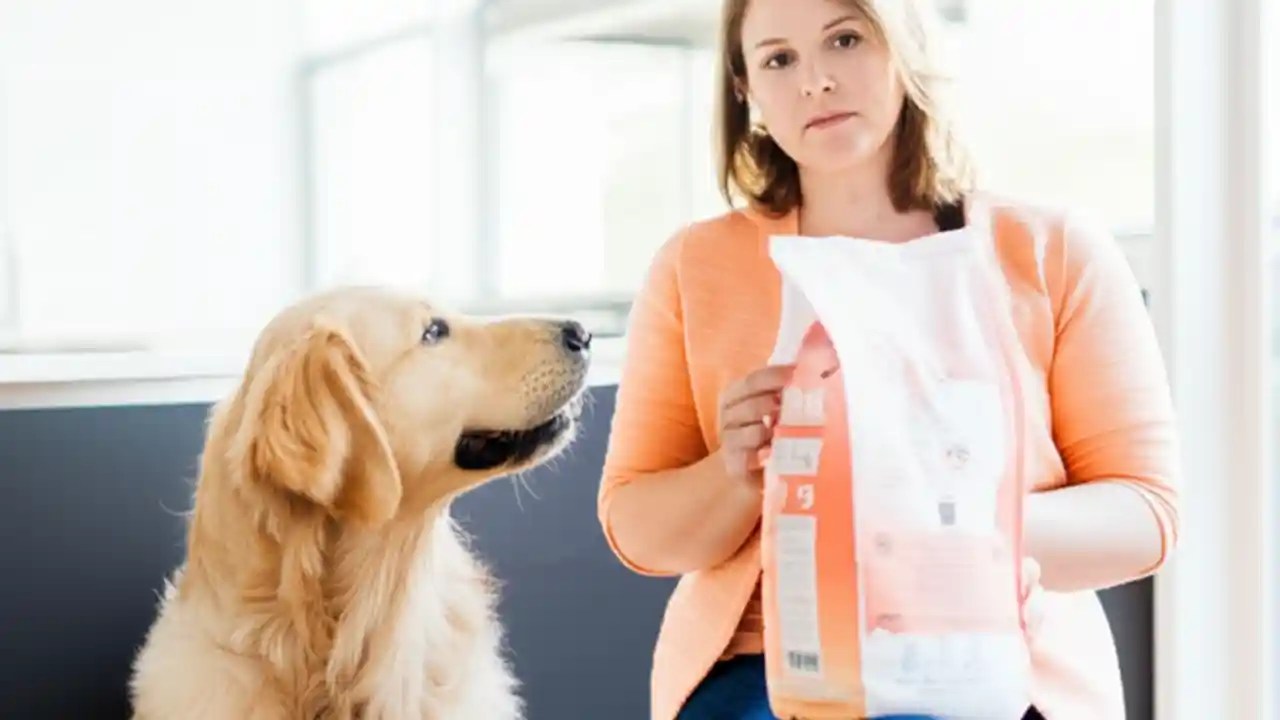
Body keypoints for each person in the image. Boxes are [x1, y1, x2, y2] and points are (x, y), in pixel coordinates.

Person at [596, 0, 1181, 718]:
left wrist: (956, 525)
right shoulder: (696, 266)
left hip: (991, 661)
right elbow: (637, 527)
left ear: (904, 45)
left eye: (844, 39)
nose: (816, 81)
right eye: (779, 58)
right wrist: (737, 473)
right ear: (746, 88)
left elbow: (1146, 513)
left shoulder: (1052, 251)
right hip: (766, 671)